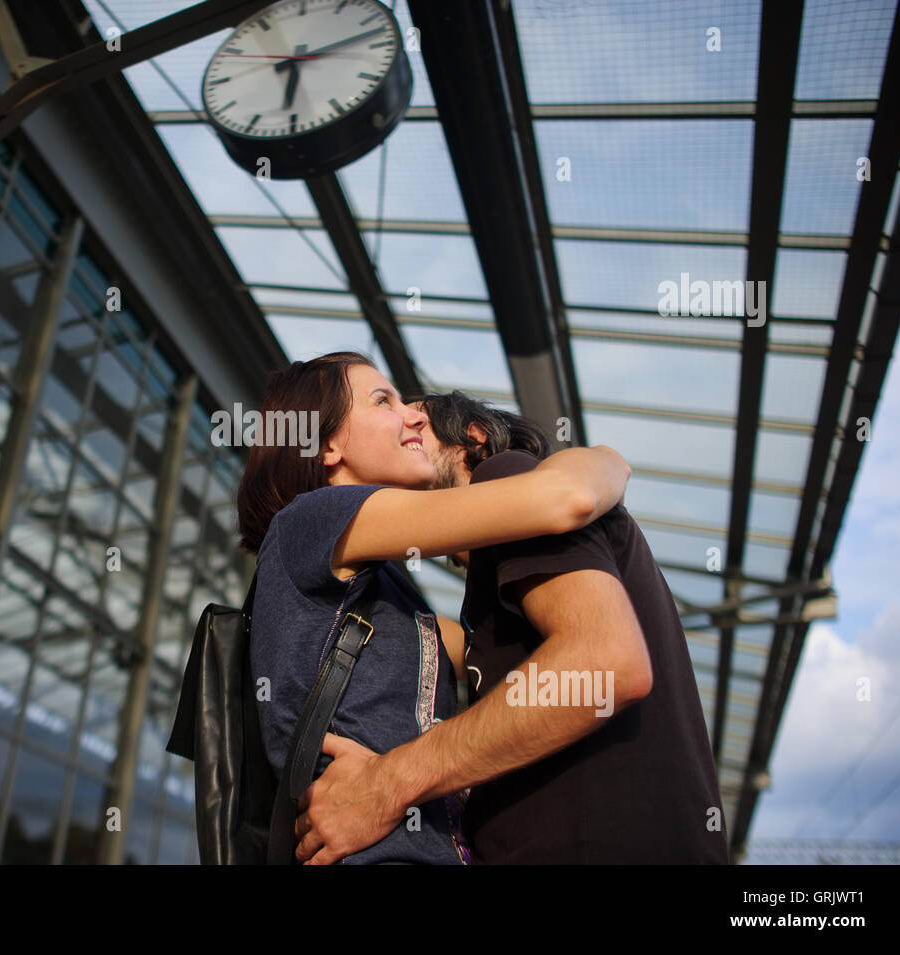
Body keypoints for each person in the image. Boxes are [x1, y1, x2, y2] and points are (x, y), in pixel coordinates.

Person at [291, 390, 728, 864]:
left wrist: (386, 784)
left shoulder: (505, 477)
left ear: (473, 438)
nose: (404, 429)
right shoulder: (491, 596)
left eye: (418, 422)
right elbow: (422, 642)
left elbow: (606, 664)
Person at [238, 354, 630, 864]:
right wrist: (606, 460)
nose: (413, 416)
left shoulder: (388, 590)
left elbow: (485, 652)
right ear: (326, 444)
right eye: (384, 401)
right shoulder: (311, 519)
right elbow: (568, 497)